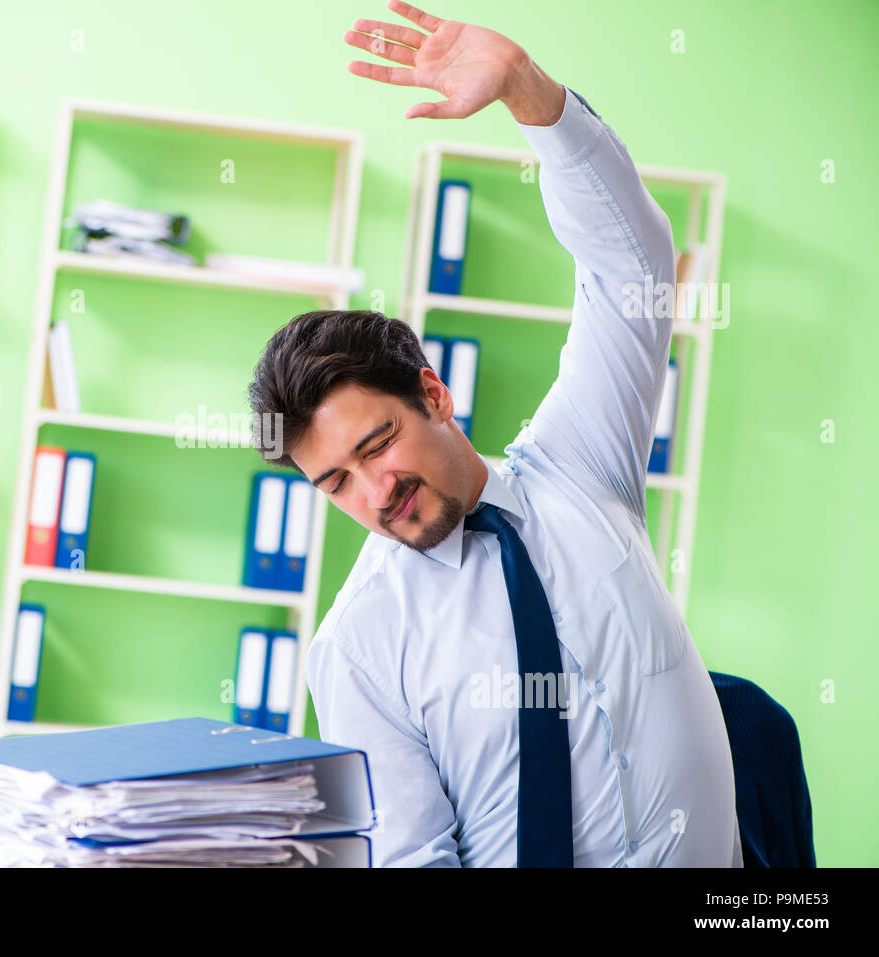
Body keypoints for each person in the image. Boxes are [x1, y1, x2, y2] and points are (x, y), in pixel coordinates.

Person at [247, 2, 741, 867]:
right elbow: (415, 858)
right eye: (333, 483)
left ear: (433, 394)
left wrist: (528, 93)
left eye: (376, 446)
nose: (373, 494)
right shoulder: (359, 648)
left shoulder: (583, 466)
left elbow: (633, 272)